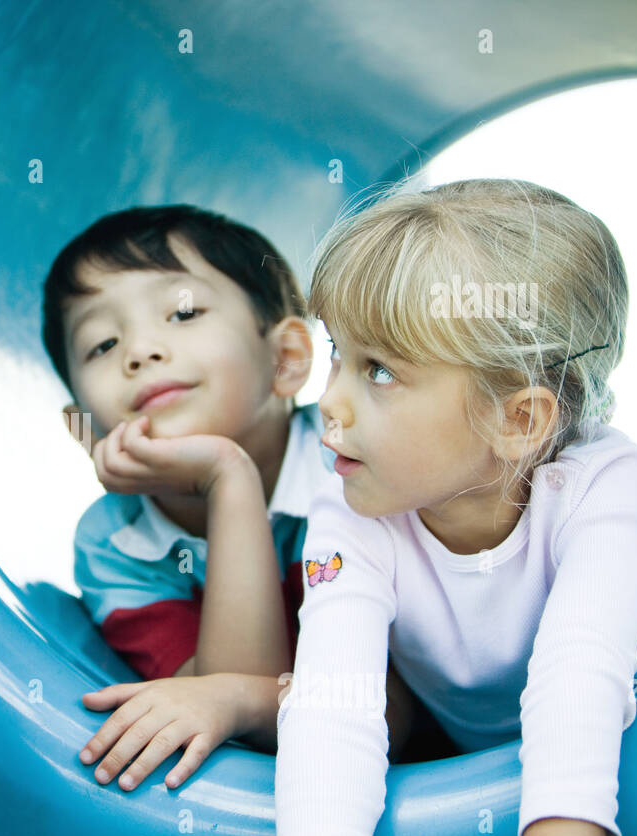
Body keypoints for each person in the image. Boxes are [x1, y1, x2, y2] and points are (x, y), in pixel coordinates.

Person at [276, 178, 637, 836]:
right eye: (337, 355)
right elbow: (332, 704)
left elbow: (579, 672)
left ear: (517, 419)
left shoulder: (610, 485)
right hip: (477, 746)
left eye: (378, 371)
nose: (330, 402)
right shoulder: (352, 506)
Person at [41, 205, 419, 793]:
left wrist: (242, 698)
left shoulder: (360, 470)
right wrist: (229, 479)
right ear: (83, 427)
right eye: (102, 343)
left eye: (183, 312)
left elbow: (400, 711)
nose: (139, 351)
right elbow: (218, 706)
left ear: (286, 360)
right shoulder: (114, 543)